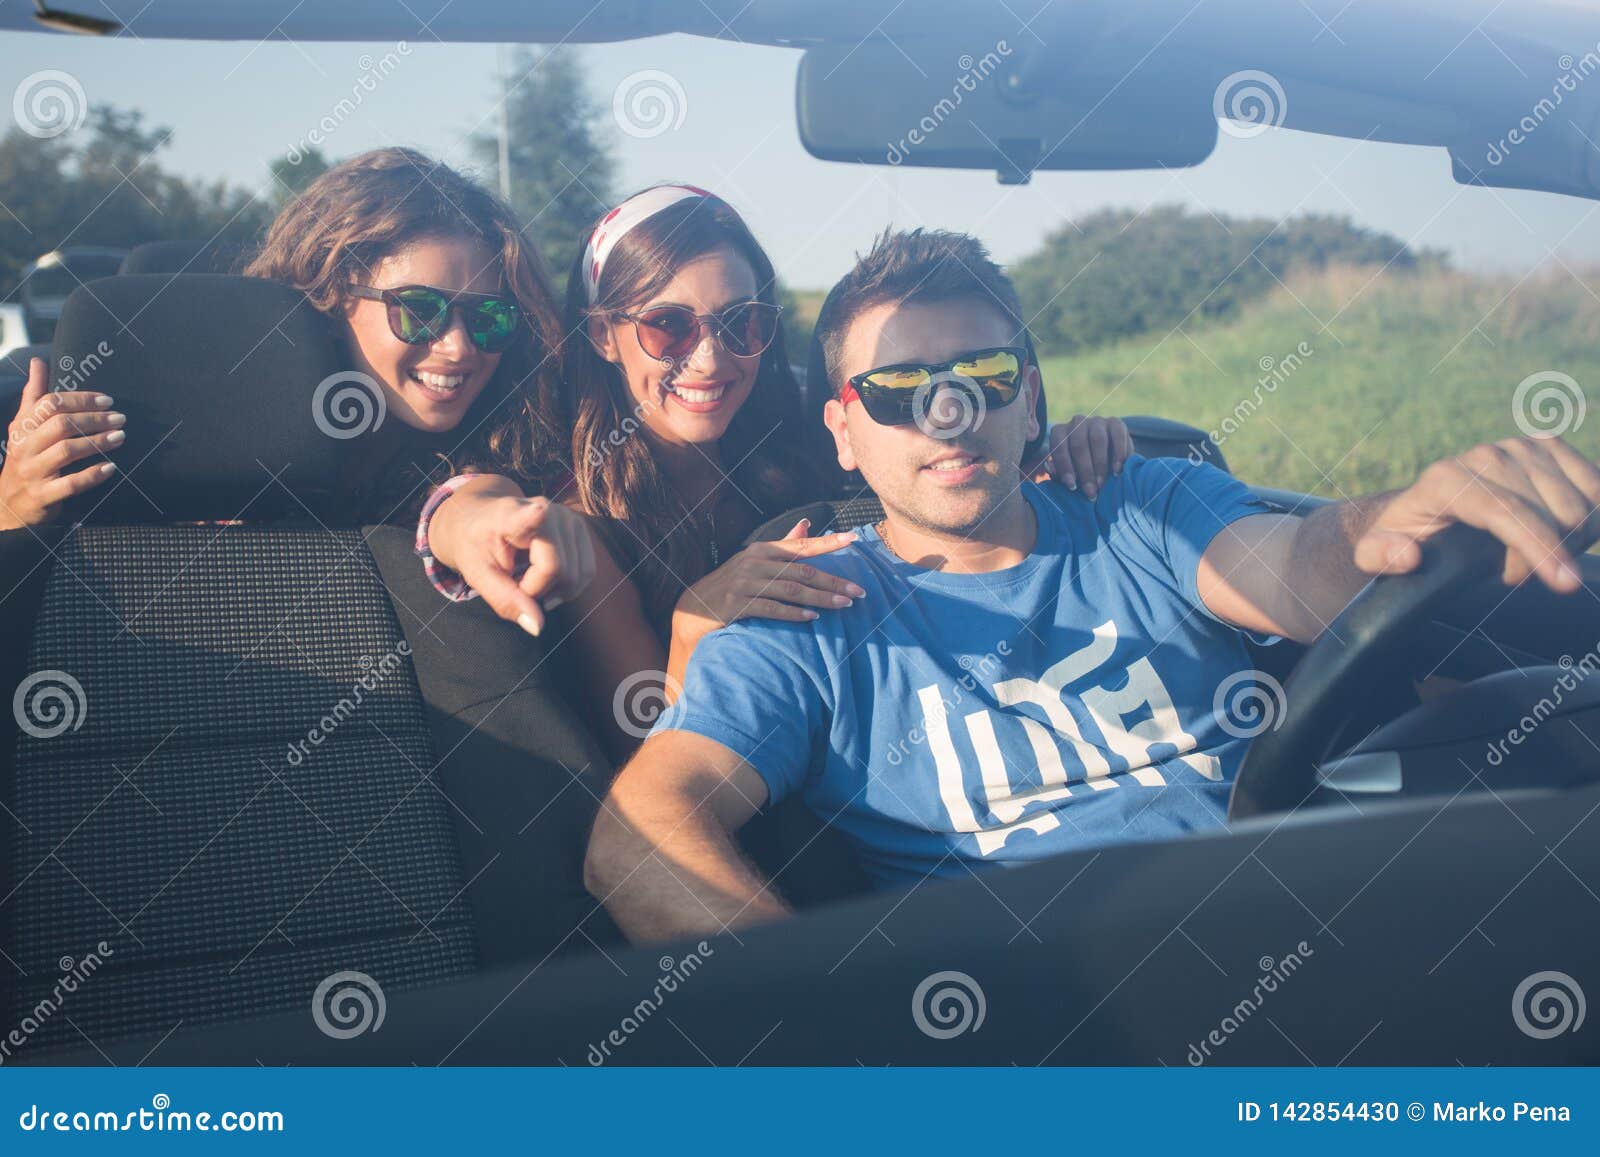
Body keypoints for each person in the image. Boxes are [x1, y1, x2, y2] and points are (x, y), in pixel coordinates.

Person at [583, 226, 1600, 944]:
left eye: (980, 375)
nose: (946, 415)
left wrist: (1395, 514)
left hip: (1303, 936)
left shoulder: (1140, 508)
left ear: (1029, 396)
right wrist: (839, 1045)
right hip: (1054, 1024)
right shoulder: (804, 608)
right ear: (841, 431)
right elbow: (639, 840)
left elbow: (1301, 566)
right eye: (897, 392)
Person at [414, 185, 1133, 760]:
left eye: (742, 324)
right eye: (668, 326)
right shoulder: (590, 517)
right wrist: (698, 621)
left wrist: (1057, 447)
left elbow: (940, 474)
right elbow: (644, 745)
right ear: (603, 334)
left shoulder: (803, 444)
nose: (710, 359)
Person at [0, 147, 595, 618]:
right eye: (420, 310)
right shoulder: (154, 453)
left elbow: (462, 505)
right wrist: (15, 511)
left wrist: (486, 524)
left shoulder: (517, 454)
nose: (460, 346)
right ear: (329, 299)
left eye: (489, 318)